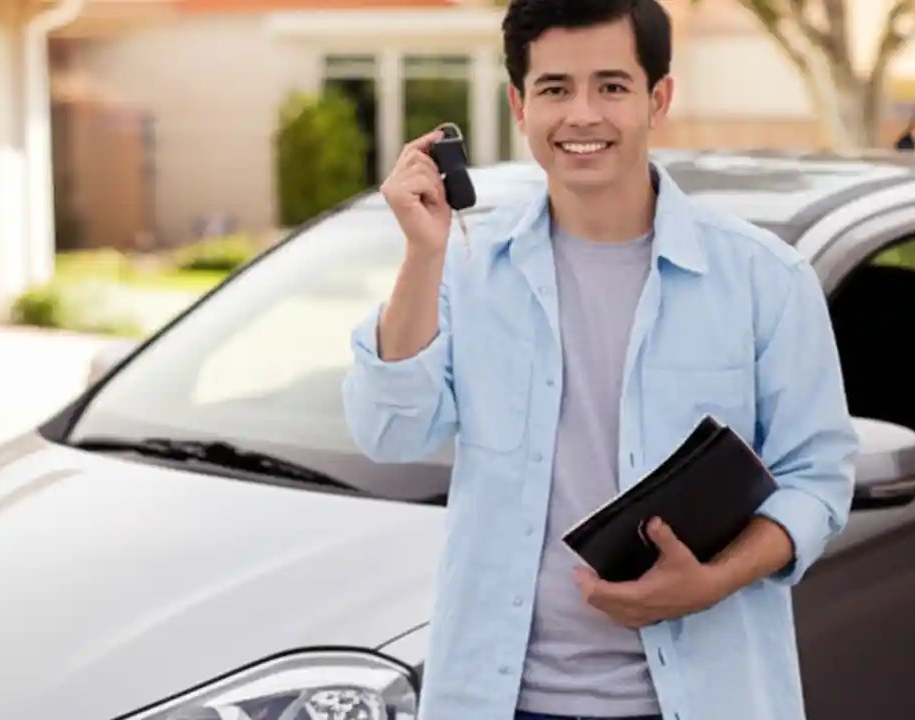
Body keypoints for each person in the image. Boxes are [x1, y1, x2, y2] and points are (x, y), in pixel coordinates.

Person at [341, 1, 859, 719]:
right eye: (555, 89)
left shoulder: (764, 280)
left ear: (659, 98)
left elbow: (817, 480)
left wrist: (711, 581)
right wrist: (422, 256)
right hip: (497, 701)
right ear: (520, 106)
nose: (582, 115)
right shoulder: (464, 269)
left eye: (611, 87)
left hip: (701, 699)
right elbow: (389, 432)